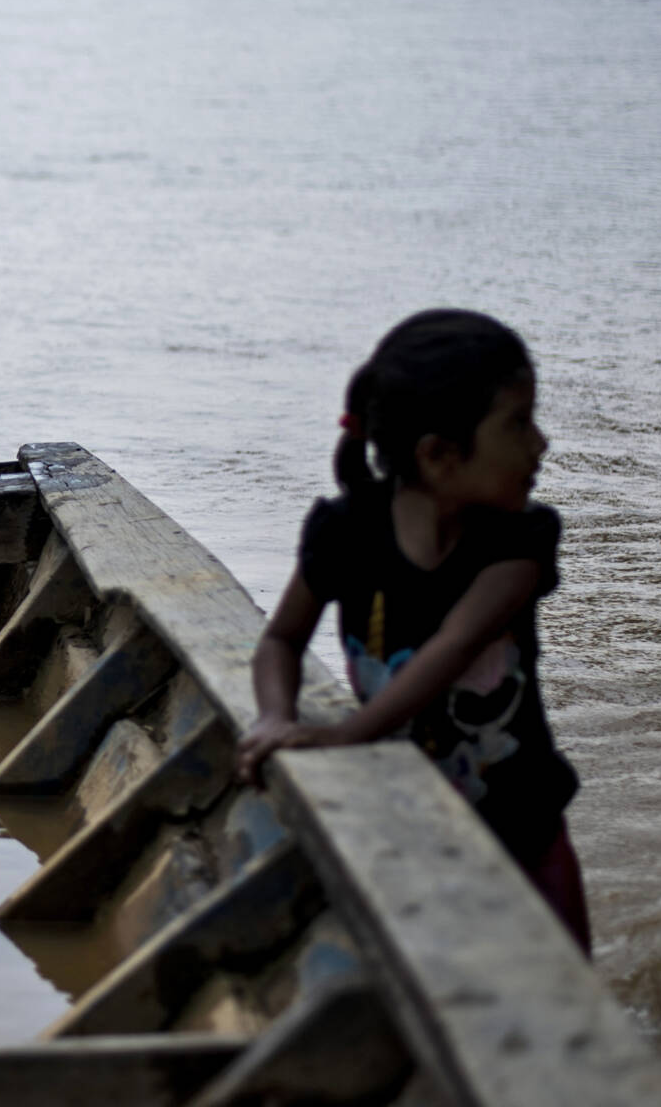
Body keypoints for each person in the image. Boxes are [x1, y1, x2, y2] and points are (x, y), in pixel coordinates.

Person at [234, 308, 591, 952]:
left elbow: (454, 647)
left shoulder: (520, 543)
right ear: (439, 456)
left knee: (574, 1008)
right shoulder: (344, 533)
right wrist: (272, 717)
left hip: (524, 836)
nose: (541, 443)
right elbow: (281, 641)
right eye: (518, 423)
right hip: (403, 826)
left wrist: (344, 736)